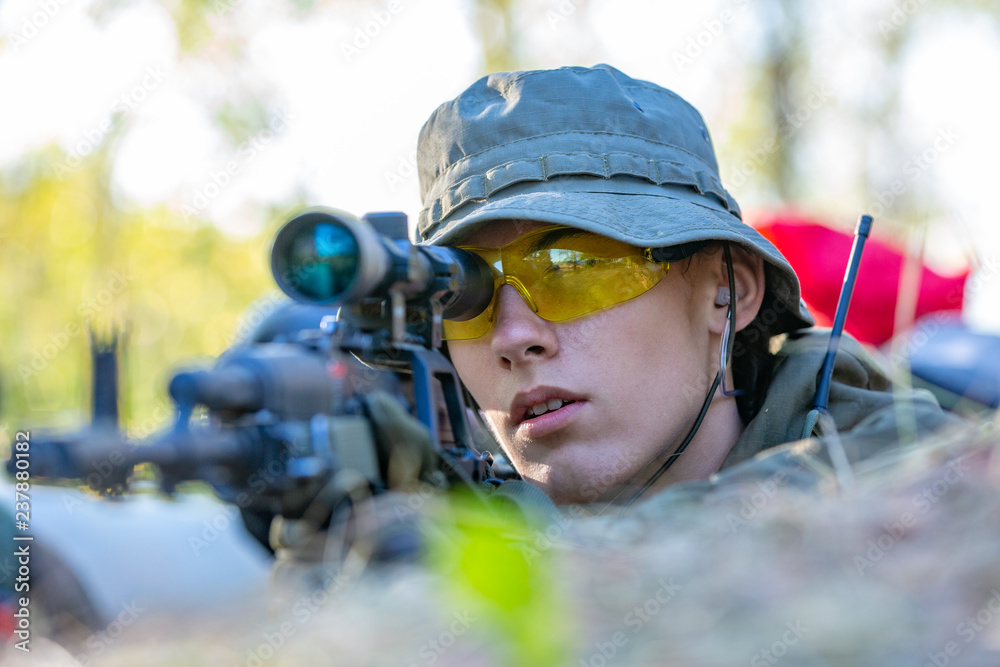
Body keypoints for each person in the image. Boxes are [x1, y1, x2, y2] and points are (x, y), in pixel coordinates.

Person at [412, 64, 957, 510]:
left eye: (573, 266)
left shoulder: (913, 481)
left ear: (729, 292)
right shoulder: (438, 529)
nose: (512, 336)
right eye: (465, 295)